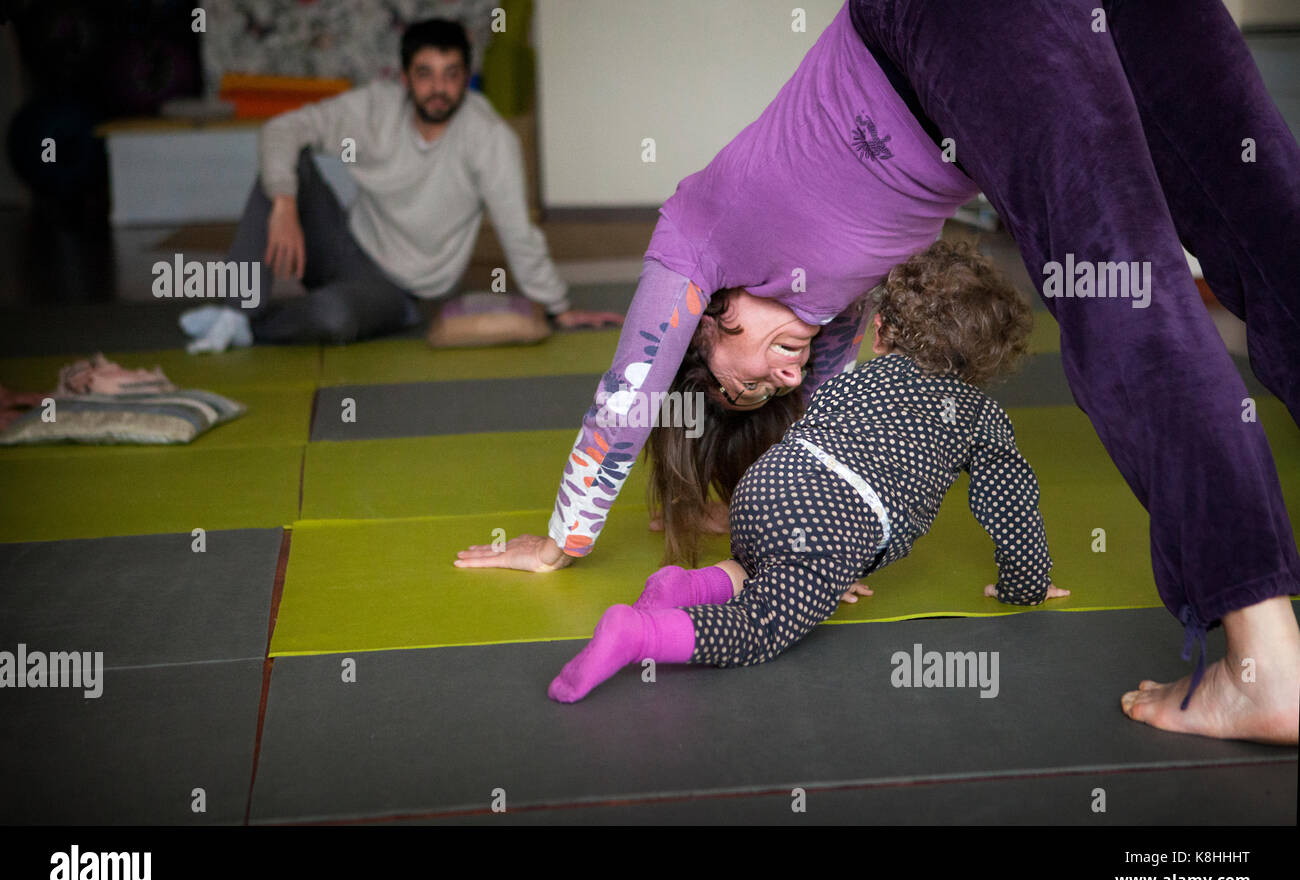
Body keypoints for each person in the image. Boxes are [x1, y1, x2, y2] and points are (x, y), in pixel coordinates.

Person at [460, 1, 1300, 743]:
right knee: (1269, 217)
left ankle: (1266, 665)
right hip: (964, 62)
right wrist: (802, 533)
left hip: (936, 25)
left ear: (704, 329)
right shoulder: (828, 318)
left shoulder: (695, 239)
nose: (776, 384)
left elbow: (629, 397)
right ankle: (1269, 657)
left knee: (1128, 276)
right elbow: (828, 436)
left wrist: (564, 540)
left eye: (743, 384)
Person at [550, 241, 1072, 702]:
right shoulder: (983, 418)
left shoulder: (860, 376)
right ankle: (638, 635)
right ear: (991, 361)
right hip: (831, 519)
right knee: (760, 626)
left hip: (767, 483)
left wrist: (829, 559)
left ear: (883, 330)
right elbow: (1011, 506)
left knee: (763, 569)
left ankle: (683, 587)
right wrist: (1025, 585)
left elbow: (827, 441)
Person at [180, 18, 620, 352]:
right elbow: (280, 129)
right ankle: (233, 310)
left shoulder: (489, 138)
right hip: (341, 246)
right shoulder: (374, 108)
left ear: (466, 77)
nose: (438, 89)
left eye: (451, 74)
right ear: (405, 78)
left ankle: (250, 328)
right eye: (425, 74)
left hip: (398, 289)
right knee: (285, 163)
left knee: (334, 317)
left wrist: (559, 306)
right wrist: (284, 203)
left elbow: (516, 229)